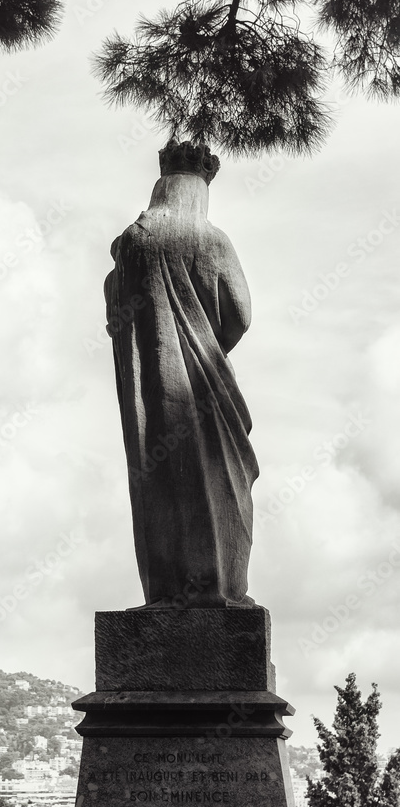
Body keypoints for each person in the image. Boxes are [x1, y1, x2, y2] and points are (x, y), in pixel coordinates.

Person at [104, 139, 259, 608]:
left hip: (150, 390)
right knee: (222, 481)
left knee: (160, 478)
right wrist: (209, 347)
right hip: (207, 387)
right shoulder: (211, 240)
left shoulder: (129, 244)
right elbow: (240, 315)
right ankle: (221, 587)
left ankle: (166, 591)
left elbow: (115, 310)